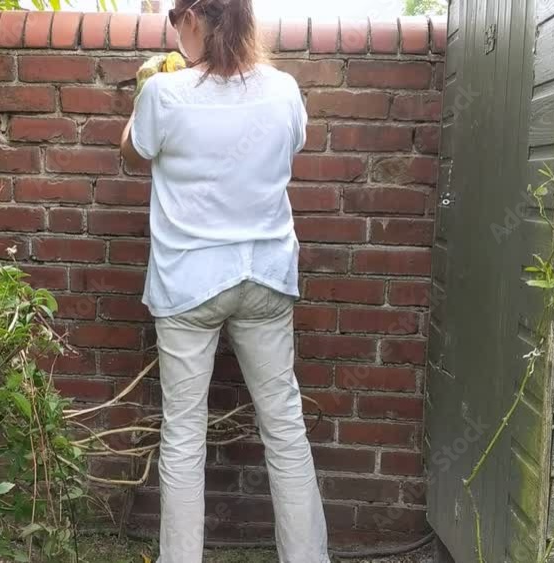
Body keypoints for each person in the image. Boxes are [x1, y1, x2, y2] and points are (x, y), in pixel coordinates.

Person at [119, 1, 331, 561]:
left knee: (184, 435)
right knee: (285, 429)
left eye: (173, 14)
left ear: (194, 17)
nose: (172, 25)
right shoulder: (284, 89)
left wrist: (146, 87)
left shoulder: (163, 94)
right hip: (265, 276)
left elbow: (131, 154)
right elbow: (293, 144)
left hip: (189, 285)